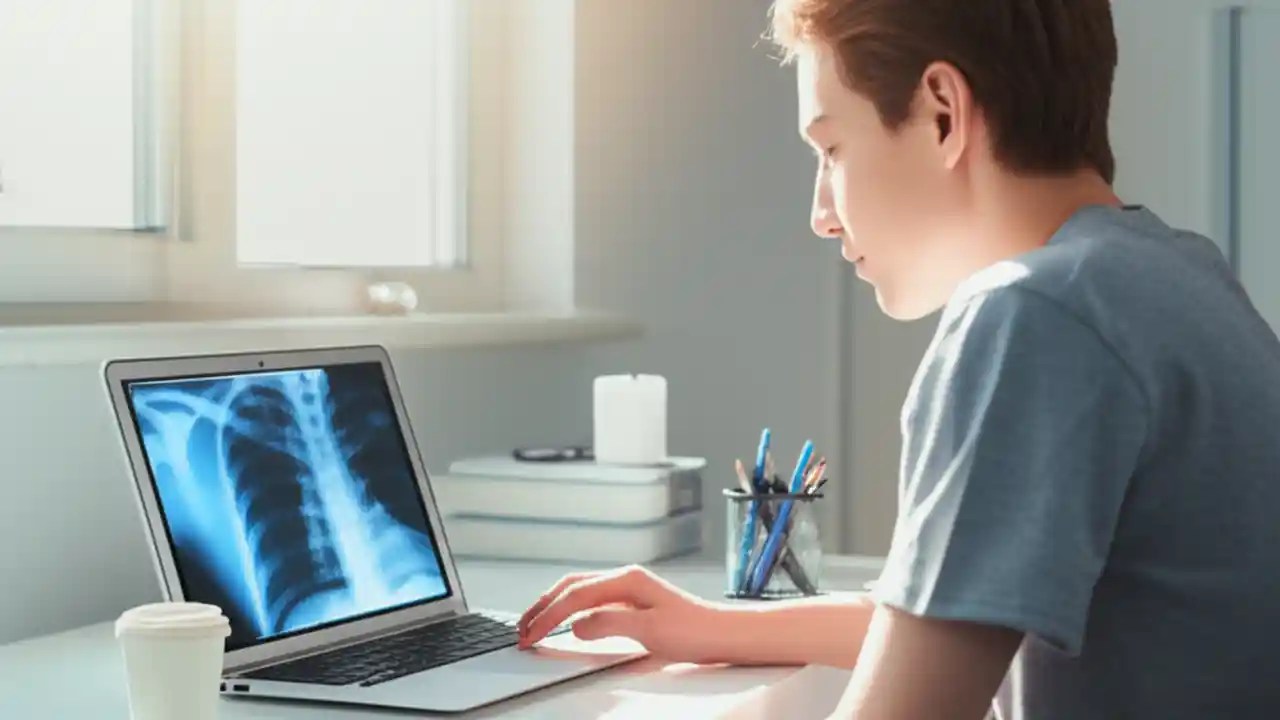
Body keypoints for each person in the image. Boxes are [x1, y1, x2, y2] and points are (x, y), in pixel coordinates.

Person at [517, 1, 1280, 717]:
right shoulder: (1176, 279)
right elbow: (943, 615)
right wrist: (712, 626)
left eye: (832, 149)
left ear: (942, 113)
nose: (821, 214)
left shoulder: (1034, 317)